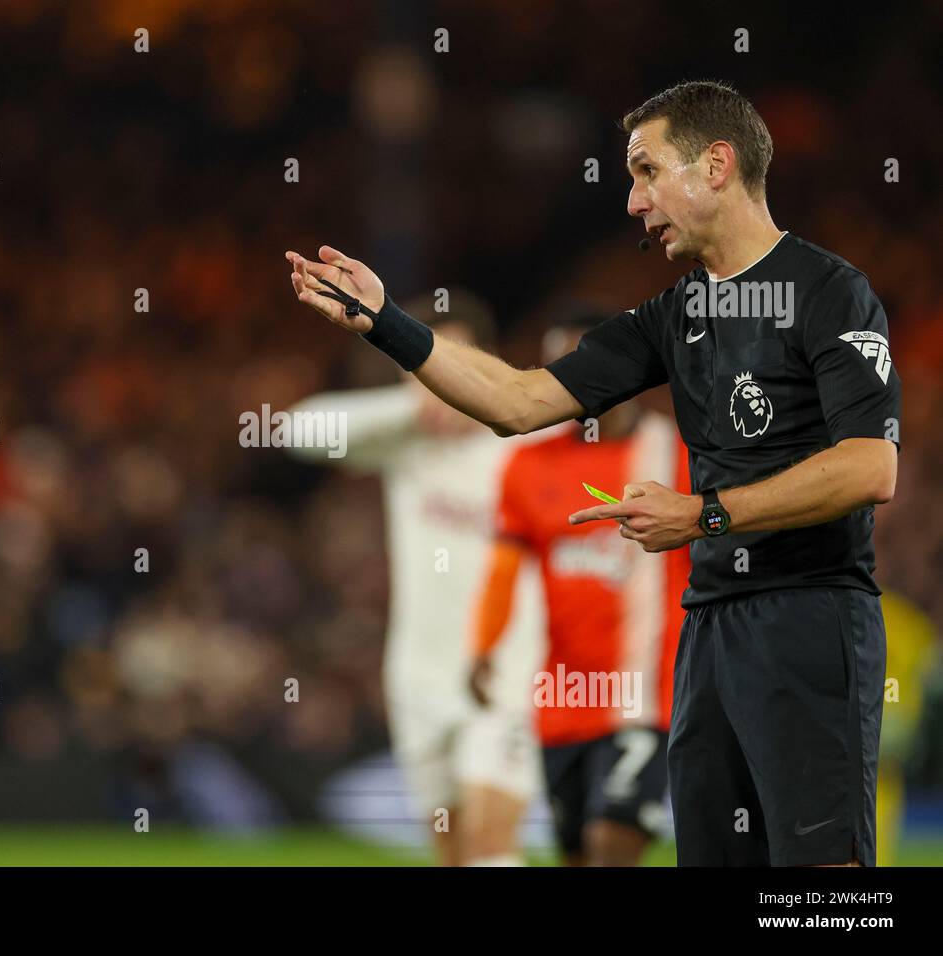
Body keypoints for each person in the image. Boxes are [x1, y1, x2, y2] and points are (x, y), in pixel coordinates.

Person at [285, 79, 901, 867]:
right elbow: (517, 399)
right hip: (710, 631)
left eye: (647, 171)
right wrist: (386, 325)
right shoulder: (673, 316)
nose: (634, 200)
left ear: (716, 165)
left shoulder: (829, 293)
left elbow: (868, 466)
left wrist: (703, 515)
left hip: (811, 617)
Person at [287, 292, 547, 866]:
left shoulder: (533, 442)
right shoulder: (406, 442)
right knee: (453, 856)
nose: (443, 376)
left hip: (506, 671)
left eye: (455, 360)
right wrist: (412, 408)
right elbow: (291, 431)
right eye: (425, 361)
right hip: (418, 678)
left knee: (490, 846)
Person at [470, 310, 689, 866]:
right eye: (556, 368)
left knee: (609, 849)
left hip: (646, 699)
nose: (566, 384)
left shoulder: (680, 456)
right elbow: (504, 569)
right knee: (575, 855)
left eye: (580, 365)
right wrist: (484, 645)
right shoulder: (526, 464)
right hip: (563, 700)